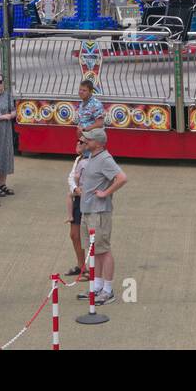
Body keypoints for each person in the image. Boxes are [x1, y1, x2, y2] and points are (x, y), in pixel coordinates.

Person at [76, 128, 127, 306]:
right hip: (88, 210)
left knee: (103, 250)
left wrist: (105, 193)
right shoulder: (92, 157)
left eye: (88, 140)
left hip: (99, 212)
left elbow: (121, 178)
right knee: (94, 250)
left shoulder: (105, 159)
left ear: (97, 143)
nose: (85, 142)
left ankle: (108, 290)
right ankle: (97, 286)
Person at [64, 136, 88, 281]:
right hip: (78, 198)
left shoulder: (91, 161)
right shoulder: (78, 160)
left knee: (88, 236)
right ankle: (81, 266)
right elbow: (71, 177)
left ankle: (92, 270)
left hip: (88, 200)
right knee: (74, 234)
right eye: (77, 140)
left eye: (80, 142)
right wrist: (75, 189)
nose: (77, 143)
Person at [0, 74, 15, 198]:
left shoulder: (8, 95)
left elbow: (14, 111)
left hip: (6, 130)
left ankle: (2, 184)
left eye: (0, 82)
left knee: (5, 154)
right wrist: (3, 117)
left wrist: (8, 116)